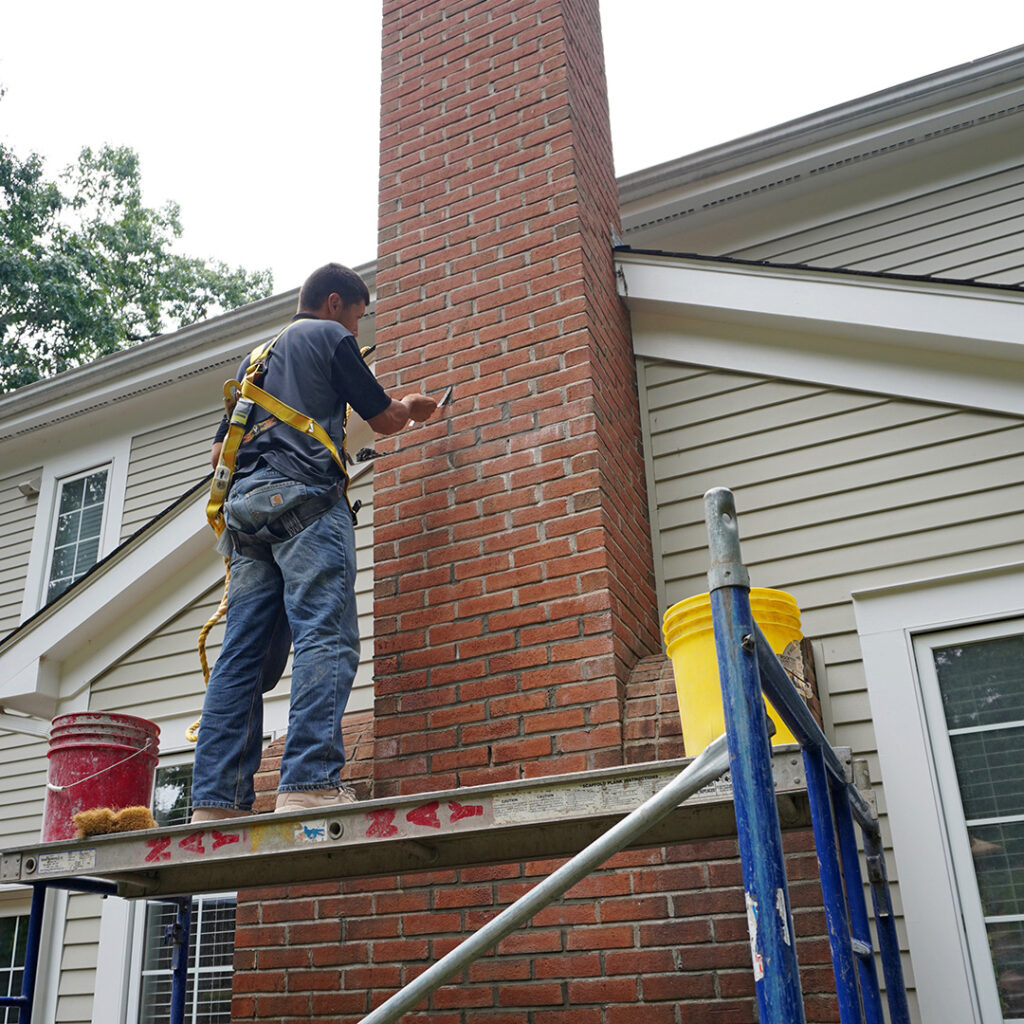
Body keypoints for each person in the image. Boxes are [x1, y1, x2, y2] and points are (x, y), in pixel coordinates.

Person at [190, 263, 437, 823]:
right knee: (325, 636)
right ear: (334, 303)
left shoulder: (257, 359)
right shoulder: (328, 336)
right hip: (305, 506)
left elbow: (218, 455)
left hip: (246, 519)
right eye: (358, 317)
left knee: (242, 657)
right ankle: (309, 783)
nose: (356, 330)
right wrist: (412, 407)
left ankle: (216, 804)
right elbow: (384, 419)